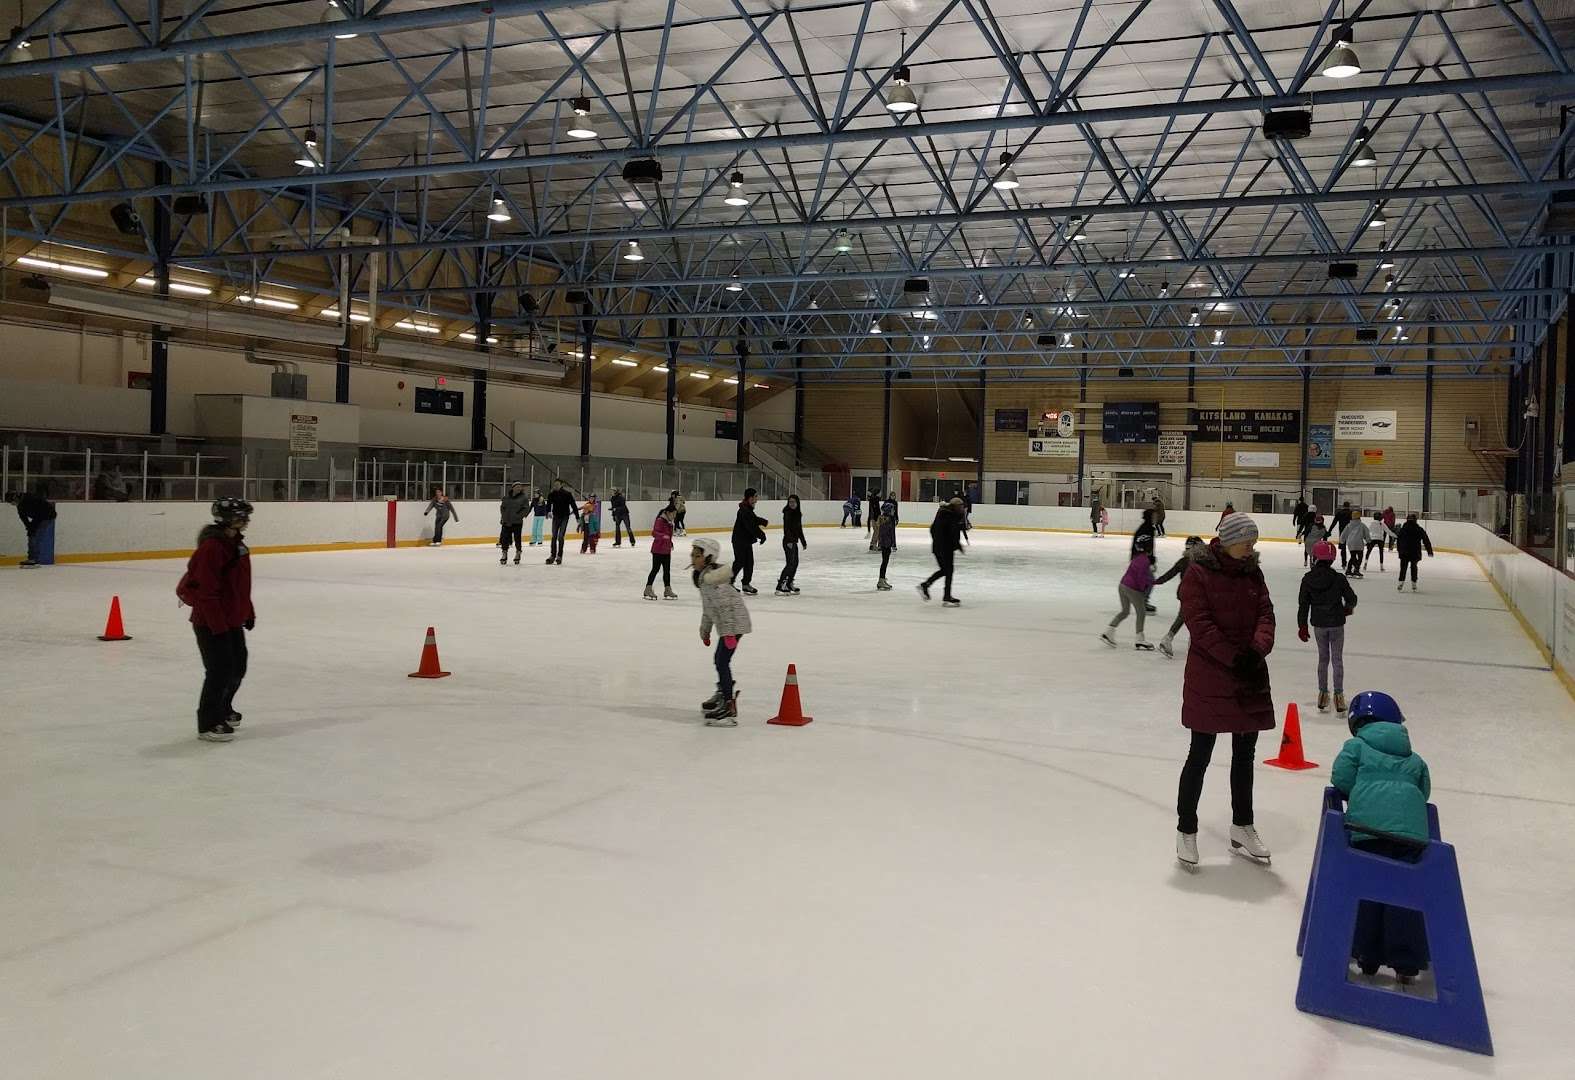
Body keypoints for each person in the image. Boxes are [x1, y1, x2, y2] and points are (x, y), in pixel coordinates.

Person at [1174, 512, 1276, 870]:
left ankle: (1242, 825)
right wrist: (1234, 658)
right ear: (1229, 540)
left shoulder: (1252, 572)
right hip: (1211, 676)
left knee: (1244, 755)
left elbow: (1266, 614)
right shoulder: (1198, 574)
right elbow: (1199, 623)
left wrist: (1255, 651)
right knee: (1199, 754)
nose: (1252, 547)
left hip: (1248, 673)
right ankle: (1186, 830)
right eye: (1247, 541)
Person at [1331, 691, 1432, 981]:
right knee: (1403, 892)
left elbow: (1341, 778)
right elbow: (1423, 791)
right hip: (1410, 838)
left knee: (1368, 887)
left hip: (1367, 833)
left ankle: (1367, 954)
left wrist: (1363, 795)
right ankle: (1407, 961)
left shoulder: (1356, 747)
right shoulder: (1414, 758)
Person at [177, 498, 255, 743]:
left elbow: (240, 587)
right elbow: (206, 591)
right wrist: (217, 626)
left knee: (237, 667)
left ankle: (223, 708)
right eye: (240, 516)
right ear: (226, 519)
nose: (245, 521)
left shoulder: (236, 544)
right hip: (211, 622)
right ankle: (208, 722)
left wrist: (248, 611)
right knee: (219, 671)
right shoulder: (212, 547)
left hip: (231, 618)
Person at [692, 536, 752, 726]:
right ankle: (723, 693)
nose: (693, 558)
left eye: (697, 555)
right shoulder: (705, 578)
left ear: (708, 557)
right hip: (729, 626)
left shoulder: (714, 582)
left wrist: (728, 635)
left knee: (721, 661)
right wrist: (705, 630)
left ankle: (728, 704)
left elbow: (725, 608)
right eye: (692, 555)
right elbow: (708, 609)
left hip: (734, 624)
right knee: (720, 660)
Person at [1298, 540, 1359, 716]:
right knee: (1337, 660)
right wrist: (1347, 609)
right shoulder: (1338, 578)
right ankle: (1338, 695)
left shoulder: (1308, 579)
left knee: (1323, 659)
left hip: (1319, 624)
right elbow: (1352, 599)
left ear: (1315, 557)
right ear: (1332, 559)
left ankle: (1323, 694)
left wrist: (1302, 625)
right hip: (1337, 624)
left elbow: (1303, 604)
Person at [1100, 537, 1157, 651]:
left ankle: (1109, 631)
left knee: (1125, 611)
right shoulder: (1145, 560)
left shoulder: (1137, 558)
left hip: (1122, 586)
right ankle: (1139, 639)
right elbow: (1140, 577)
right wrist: (1143, 591)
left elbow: (1138, 572)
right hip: (1132, 588)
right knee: (1141, 612)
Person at [1154, 536, 1206, 659]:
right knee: (1190, 618)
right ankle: (1170, 639)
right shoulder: (1201, 562)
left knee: (1185, 617)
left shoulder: (1184, 561)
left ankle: (1173, 639)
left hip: (1185, 594)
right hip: (1194, 595)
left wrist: (1157, 581)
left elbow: (1169, 574)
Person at [918, 497, 965, 606]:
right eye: (961, 506)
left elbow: (932, 529)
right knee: (948, 571)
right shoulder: (951, 516)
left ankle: (926, 585)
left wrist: (937, 541)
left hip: (938, 547)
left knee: (945, 570)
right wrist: (958, 546)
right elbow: (953, 534)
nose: (962, 509)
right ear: (956, 506)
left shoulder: (942, 514)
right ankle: (946, 596)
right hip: (946, 548)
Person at [730, 487, 769, 594]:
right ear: (750, 498)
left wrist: (762, 521)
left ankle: (746, 584)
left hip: (745, 541)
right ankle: (729, 583)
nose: (757, 499)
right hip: (739, 541)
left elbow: (753, 519)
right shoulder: (744, 510)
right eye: (755, 496)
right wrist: (762, 535)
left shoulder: (747, 508)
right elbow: (751, 526)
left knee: (749, 563)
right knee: (739, 562)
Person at [9, 485, 57, 568]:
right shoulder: (20, 504)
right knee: (31, 535)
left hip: (47, 516)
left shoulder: (31, 499)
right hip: (38, 517)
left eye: (12, 501)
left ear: (16, 498)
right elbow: (22, 516)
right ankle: (31, 558)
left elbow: (40, 514)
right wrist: (28, 527)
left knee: (36, 536)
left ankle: (34, 559)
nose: (12, 504)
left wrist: (33, 527)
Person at [643, 505, 678, 601]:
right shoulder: (660, 520)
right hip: (658, 550)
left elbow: (669, 536)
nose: (674, 516)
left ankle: (667, 589)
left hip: (666, 550)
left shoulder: (669, 523)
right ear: (668, 513)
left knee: (667, 571)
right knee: (655, 569)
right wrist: (663, 536)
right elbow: (654, 533)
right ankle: (648, 589)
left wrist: (670, 542)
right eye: (673, 514)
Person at [1394, 512, 1434, 592]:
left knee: (1403, 568)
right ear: (1415, 520)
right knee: (1414, 567)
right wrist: (1429, 551)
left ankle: (1400, 583)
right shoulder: (1419, 529)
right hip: (1414, 552)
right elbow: (1426, 540)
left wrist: (1399, 551)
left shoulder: (1403, 529)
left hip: (1404, 552)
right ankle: (1414, 583)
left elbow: (1399, 541)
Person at [776, 494, 807, 595]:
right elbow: (786, 529)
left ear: (797, 503)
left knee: (795, 563)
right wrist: (789, 541)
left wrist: (803, 541)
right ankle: (780, 586)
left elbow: (799, 528)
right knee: (790, 564)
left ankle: (789, 583)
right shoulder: (788, 513)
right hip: (788, 542)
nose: (792, 504)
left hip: (794, 541)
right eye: (790, 502)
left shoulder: (797, 513)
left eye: (793, 502)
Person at [545, 479, 580, 564]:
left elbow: (574, 505)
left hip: (564, 517)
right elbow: (548, 504)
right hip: (556, 517)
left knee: (560, 536)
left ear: (561, 485)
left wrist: (577, 517)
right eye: (554, 485)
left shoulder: (567, 494)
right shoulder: (552, 494)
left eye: (557, 484)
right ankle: (552, 555)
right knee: (554, 536)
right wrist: (548, 512)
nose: (555, 486)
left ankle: (559, 556)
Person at [498, 481, 529, 565]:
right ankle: (504, 553)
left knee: (517, 538)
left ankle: (518, 553)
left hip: (517, 522)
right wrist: (503, 517)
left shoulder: (524, 498)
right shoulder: (506, 497)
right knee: (504, 539)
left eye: (520, 487)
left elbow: (526, 509)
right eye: (517, 486)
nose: (519, 488)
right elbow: (502, 507)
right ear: (513, 487)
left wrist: (518, 516)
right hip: (506, 521)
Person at [1340, 509, 1369, 577]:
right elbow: (1366, 534)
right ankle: (1356, 570)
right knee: (1360, 557)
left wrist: (1342, 541)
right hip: (1359, 543)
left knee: (1353, 557)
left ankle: (1349, 570)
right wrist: (1368, 541)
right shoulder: (1362, 525)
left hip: (1351, 543)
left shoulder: (1349, 525)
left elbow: (1344, 534)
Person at [875, 499, 897, 590]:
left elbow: (880, 532)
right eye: (892, 509)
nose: (893, 511)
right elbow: (891, 532)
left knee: (885, 562)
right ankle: (881, 580)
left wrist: (880, 542)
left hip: (884, 543)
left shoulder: (883, 518)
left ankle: (882, 578)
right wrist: (894, 544)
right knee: (885, 562)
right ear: (888, 510)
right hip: (886, 543)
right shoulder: (889, 519)